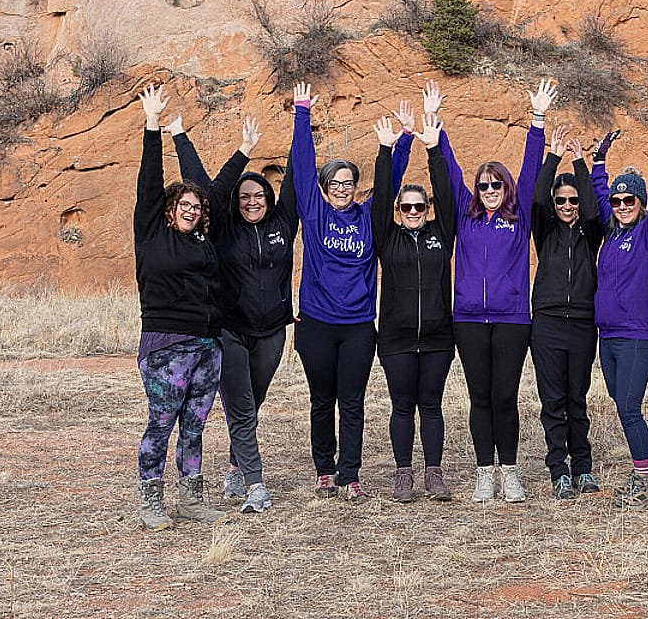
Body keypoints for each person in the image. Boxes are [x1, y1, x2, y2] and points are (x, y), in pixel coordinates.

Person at [170, 113, 297, 515]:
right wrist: (178, 135)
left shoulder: (283, 222)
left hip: (273, 330)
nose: (252, 201)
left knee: (252, 404)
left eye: (258, 195)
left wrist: (302, 122)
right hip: (230, 331)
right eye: (244, 196)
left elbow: (297, 179)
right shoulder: (223, 226)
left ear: (269, 198)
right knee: (242, 407)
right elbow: (202, 183)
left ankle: (234, 465)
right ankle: (254, 485)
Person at [433, 79, 553, 503]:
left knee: (505, 396)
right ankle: (485, 472)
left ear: (506, 189)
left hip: (511, 320)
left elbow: (532, 167)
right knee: (479, 397)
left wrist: (536, 119)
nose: (488, 192)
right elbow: (448, 170)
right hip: (467, 319)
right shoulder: (465, 218)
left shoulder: (519, 218)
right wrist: (436, 128)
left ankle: (510, 471)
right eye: (483, 186)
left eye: (495, 185)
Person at [291, 81, 411, 502]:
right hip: (318, 324)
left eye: (348, 181)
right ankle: (325, 469)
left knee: (353, 401)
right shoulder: (315, 211)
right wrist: (301, 113)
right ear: (324, 187)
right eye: (335, 182)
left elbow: (391, 180)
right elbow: (302, 167)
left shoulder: (367, 218)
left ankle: (350, 474)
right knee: (322, 400)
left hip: (359, 324)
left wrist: (404, 141)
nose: (342, 187)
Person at [132, 84, 225, 530]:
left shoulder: (205, 240)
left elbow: (210, 189)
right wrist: (154, 128)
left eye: (196, 206)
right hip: (166, 344)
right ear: (169, 209)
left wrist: (186, 139)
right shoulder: (152, 233)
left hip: (207, 344)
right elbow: (149, 182)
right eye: (183, 204)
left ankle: (190, 497)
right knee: (162, 424)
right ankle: (152, 501)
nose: (191, 209)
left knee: (196, 425)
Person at [590, 109, 648, 510]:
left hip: (637, 336)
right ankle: (644, 469)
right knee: (620, 403)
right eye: (617, 199)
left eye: (630, 199)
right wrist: (597, 163)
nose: (622, 204)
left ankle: (644, 477)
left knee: (629, 406)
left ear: (640, 203)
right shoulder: (611, 232)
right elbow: (598, 196)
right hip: (606, 335)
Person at [370, 107, 457, 503]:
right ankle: (403, 474)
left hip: (438, 338)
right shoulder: (387, 238)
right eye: (405, 208)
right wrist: (386, 152)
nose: (412, 213)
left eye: (419, 207)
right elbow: (380, 198)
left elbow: (449, 193)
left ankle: (434, 474)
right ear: (398, 212)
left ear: (427, 210)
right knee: (403, 407)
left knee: (432, 406)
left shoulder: (443, 233)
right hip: (396, 339)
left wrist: (435, 149)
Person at [530, 125, 604, 500]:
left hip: (582, 324)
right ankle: (558, 469)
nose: (567, 207)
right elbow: (537, 201)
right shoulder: (545, 231)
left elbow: (593, 209)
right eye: (562, 201)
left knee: (577, 399)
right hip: (546, 322)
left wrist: (579, 164)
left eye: (572, 201)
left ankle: (583, 468)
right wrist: (553, 157)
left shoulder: (590, 233)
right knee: (552, 400)